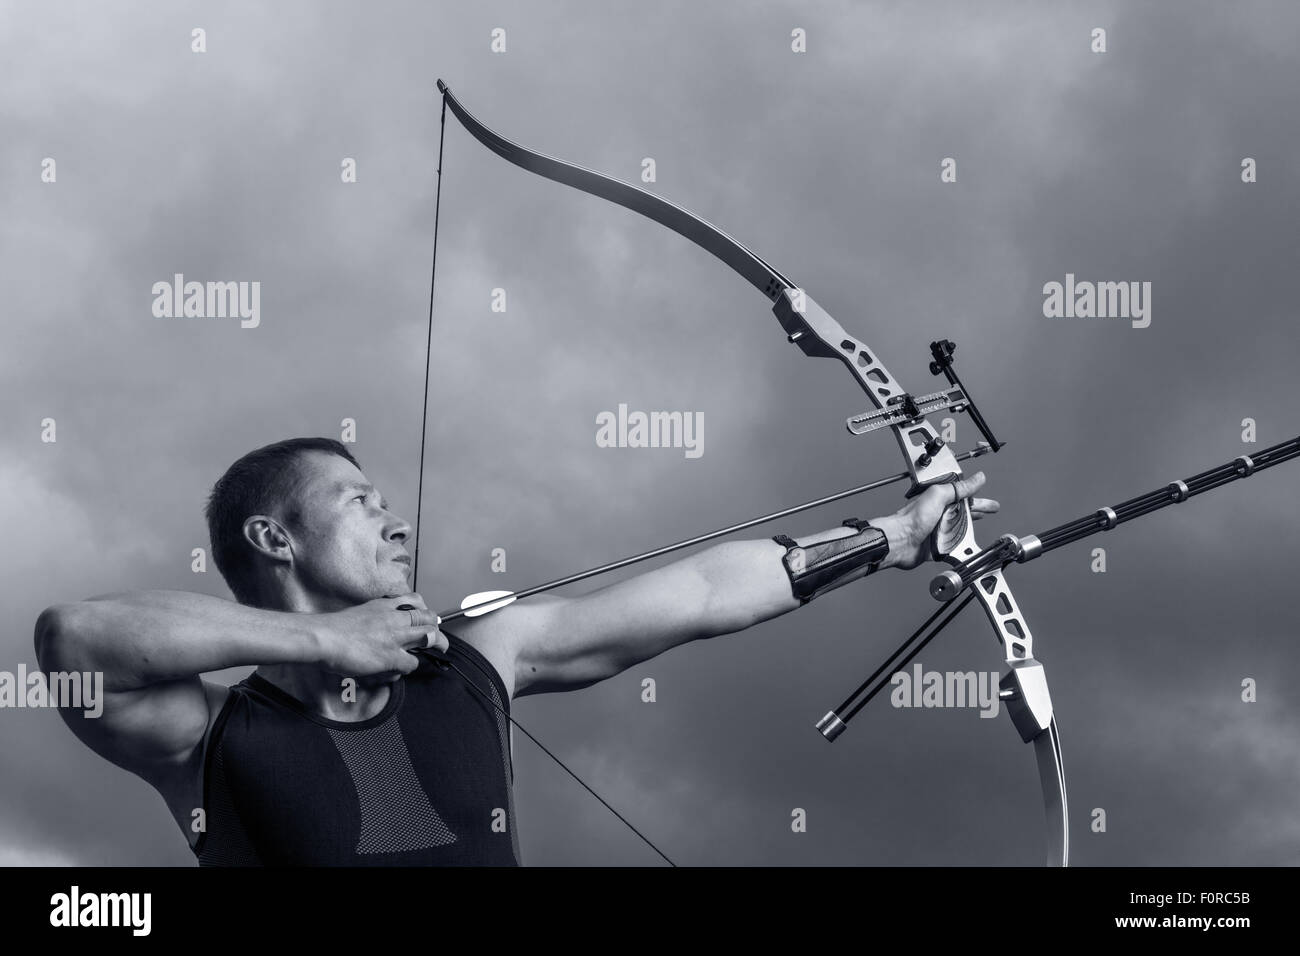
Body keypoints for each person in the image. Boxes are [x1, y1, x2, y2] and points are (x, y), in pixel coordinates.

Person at [33, 436, 998, 865]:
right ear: (273, 540)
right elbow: (76, 639)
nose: (393, 520)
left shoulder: (476, 663)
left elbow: (704, 592)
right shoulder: (205, 737)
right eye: (358, 503)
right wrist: (325, 639)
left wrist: (891, 539)